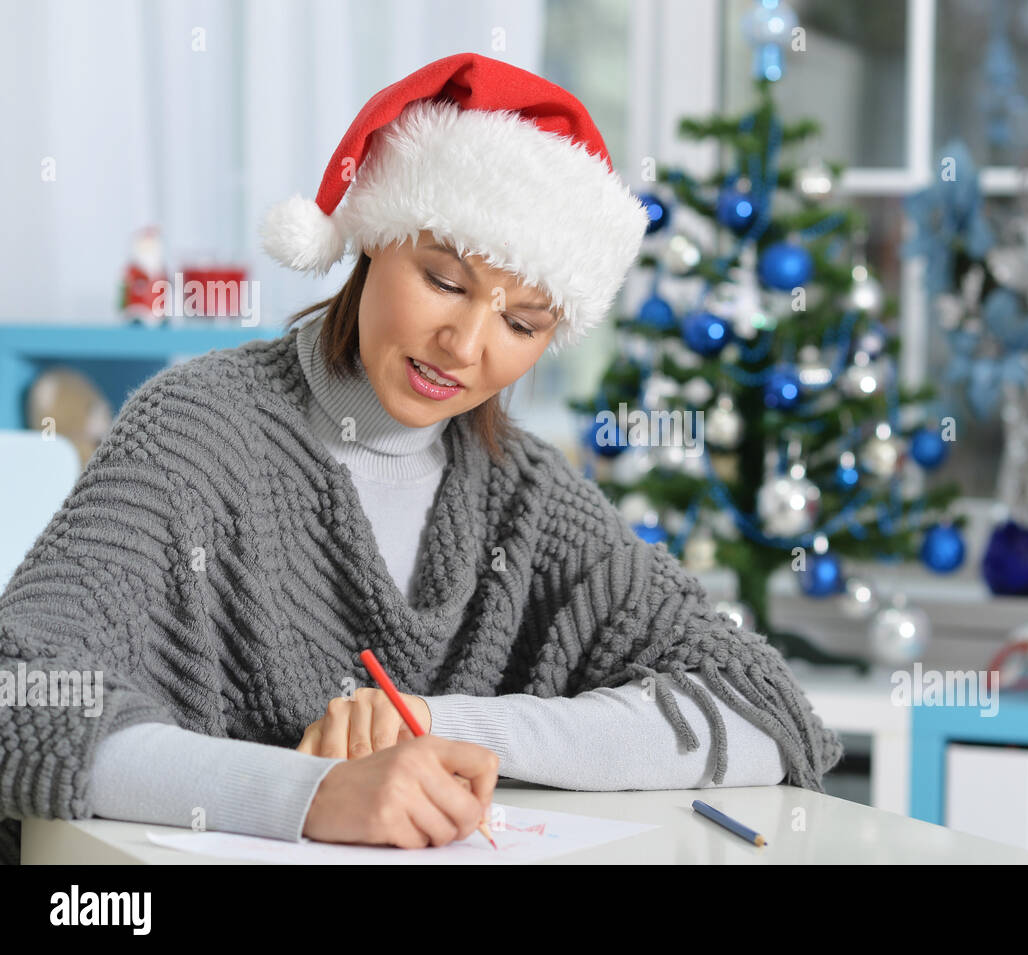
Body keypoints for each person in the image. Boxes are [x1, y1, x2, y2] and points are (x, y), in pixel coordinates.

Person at [0, 52, 843, 865]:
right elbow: (18, 696)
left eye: (522, 323)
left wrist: (439, 723)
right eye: (443, 279)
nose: (466, 345)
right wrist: (308, 793)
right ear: (373, 238)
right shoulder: (196, 429)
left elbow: (763, 707)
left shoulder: (528, 492)